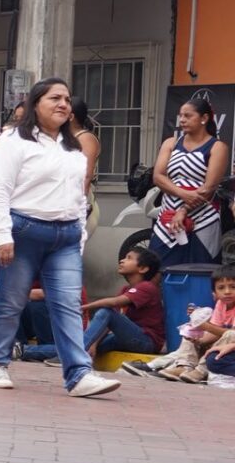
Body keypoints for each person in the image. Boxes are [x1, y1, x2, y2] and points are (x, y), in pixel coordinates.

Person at [0, 78, 119, 398]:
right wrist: (1, 235)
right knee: (11, 301)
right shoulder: (14, 140)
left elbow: (77, 194)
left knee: (69, 303)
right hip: (23, 231)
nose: (63, 104)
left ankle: (78, 374)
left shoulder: (72, 146)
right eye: (54, 98)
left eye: (67, 99)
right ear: (35, 104)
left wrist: (79, 234)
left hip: (67, 236)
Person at [150, 96, 229, 266]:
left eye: (188, 116)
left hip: (203, 218)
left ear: (204, 118)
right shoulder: (171, 143)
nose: (182, 120)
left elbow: (209, 188)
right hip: (169, 217)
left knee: (202, 272)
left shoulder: (217, 147)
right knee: (158, 268)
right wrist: (184, 194)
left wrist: (184, 210)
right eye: (181, 116)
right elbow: (158, 176)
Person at [81, 247, 164, 359]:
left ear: (143, 268)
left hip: (147, 341)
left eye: (129, 258)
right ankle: (64, 353)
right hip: (128, 337)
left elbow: (113, 305)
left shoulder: (147, 287)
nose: (122, 261)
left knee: (106, 311)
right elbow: (107, 323)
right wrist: (94, 344)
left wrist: (84, 307)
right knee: (77, 343)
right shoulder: (126, 289)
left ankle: (75, 354)